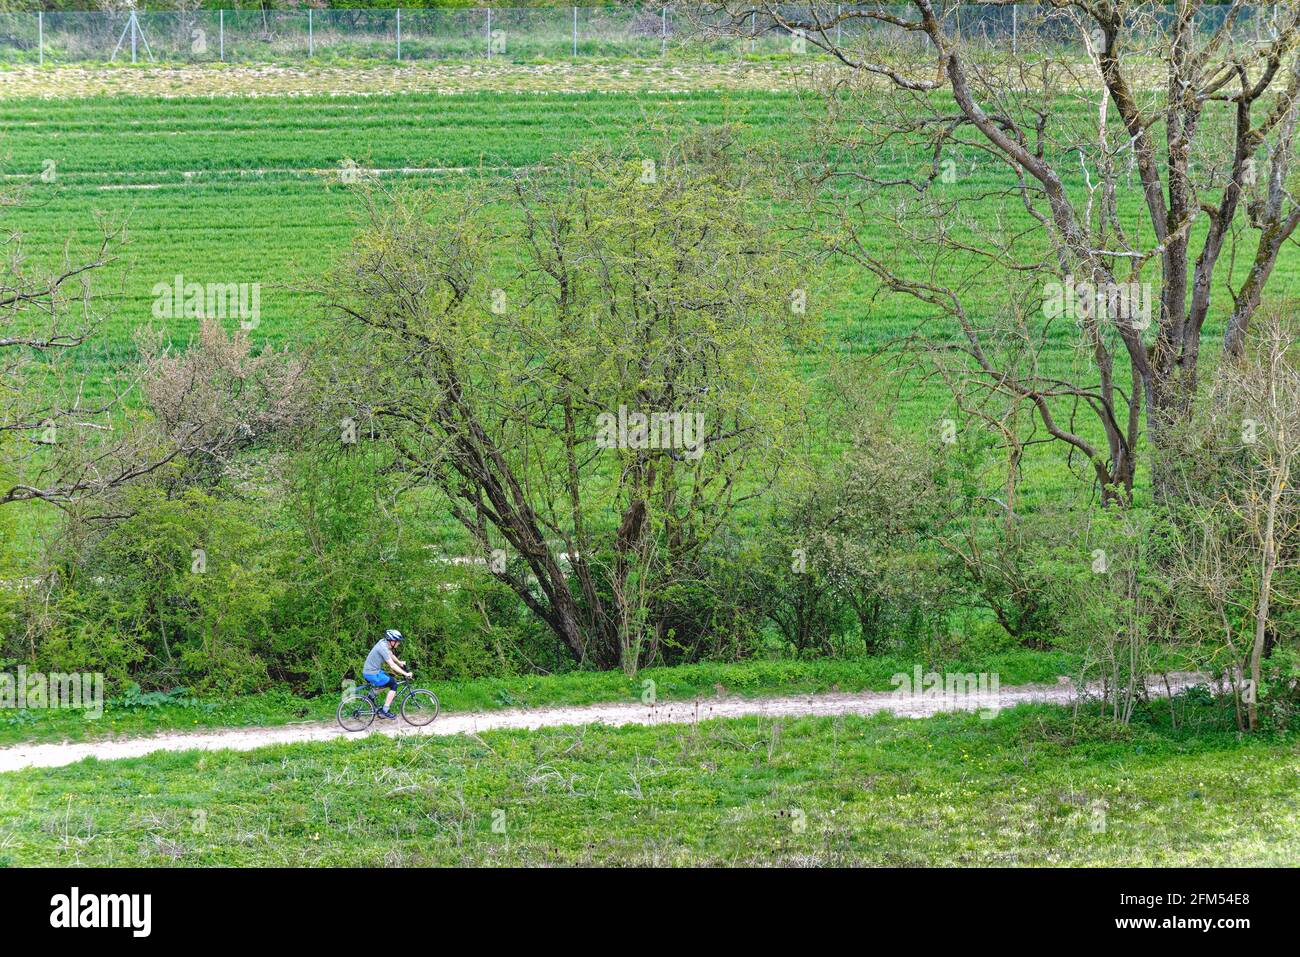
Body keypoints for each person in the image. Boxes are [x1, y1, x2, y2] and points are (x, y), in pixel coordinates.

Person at [362, 628, 412, 719]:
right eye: (397, 641)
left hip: (372, 671)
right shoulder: (383, 648)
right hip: (372, 673)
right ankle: (385, 711)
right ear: (392, 641)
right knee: (394, 684)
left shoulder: (383, 642)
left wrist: (399, 662)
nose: (398, 643)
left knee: (390, 678)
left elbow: (391, 655)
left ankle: (371, 696)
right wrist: (405, 673)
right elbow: (392, 665)